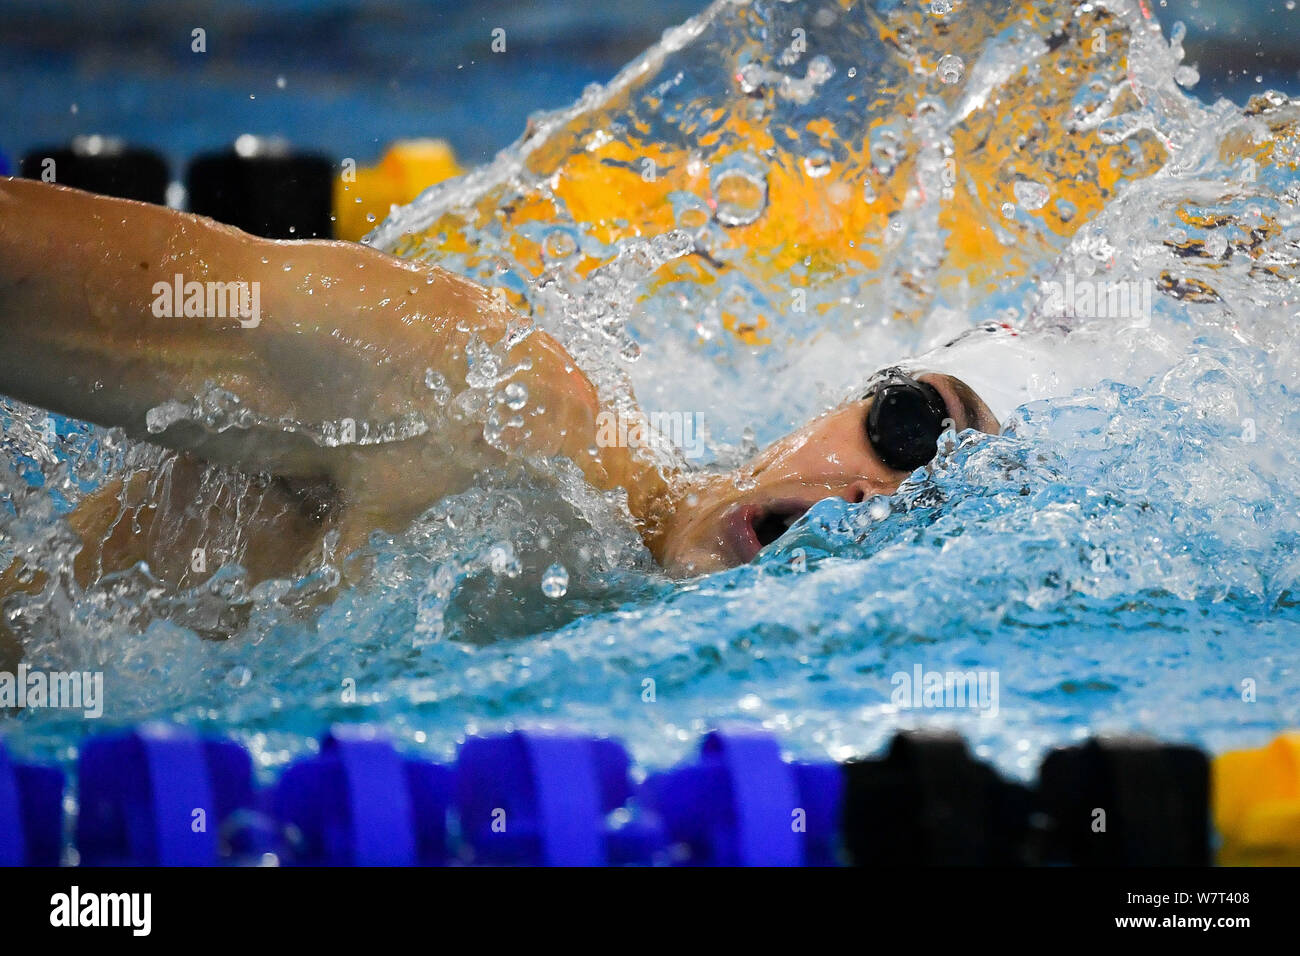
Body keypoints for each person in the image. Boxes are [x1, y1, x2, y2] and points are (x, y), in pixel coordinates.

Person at [0, 176, 1001, 609]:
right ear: (818, 411)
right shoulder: (487, 396)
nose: (879, 498)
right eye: (908, 427)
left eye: (931, 521)